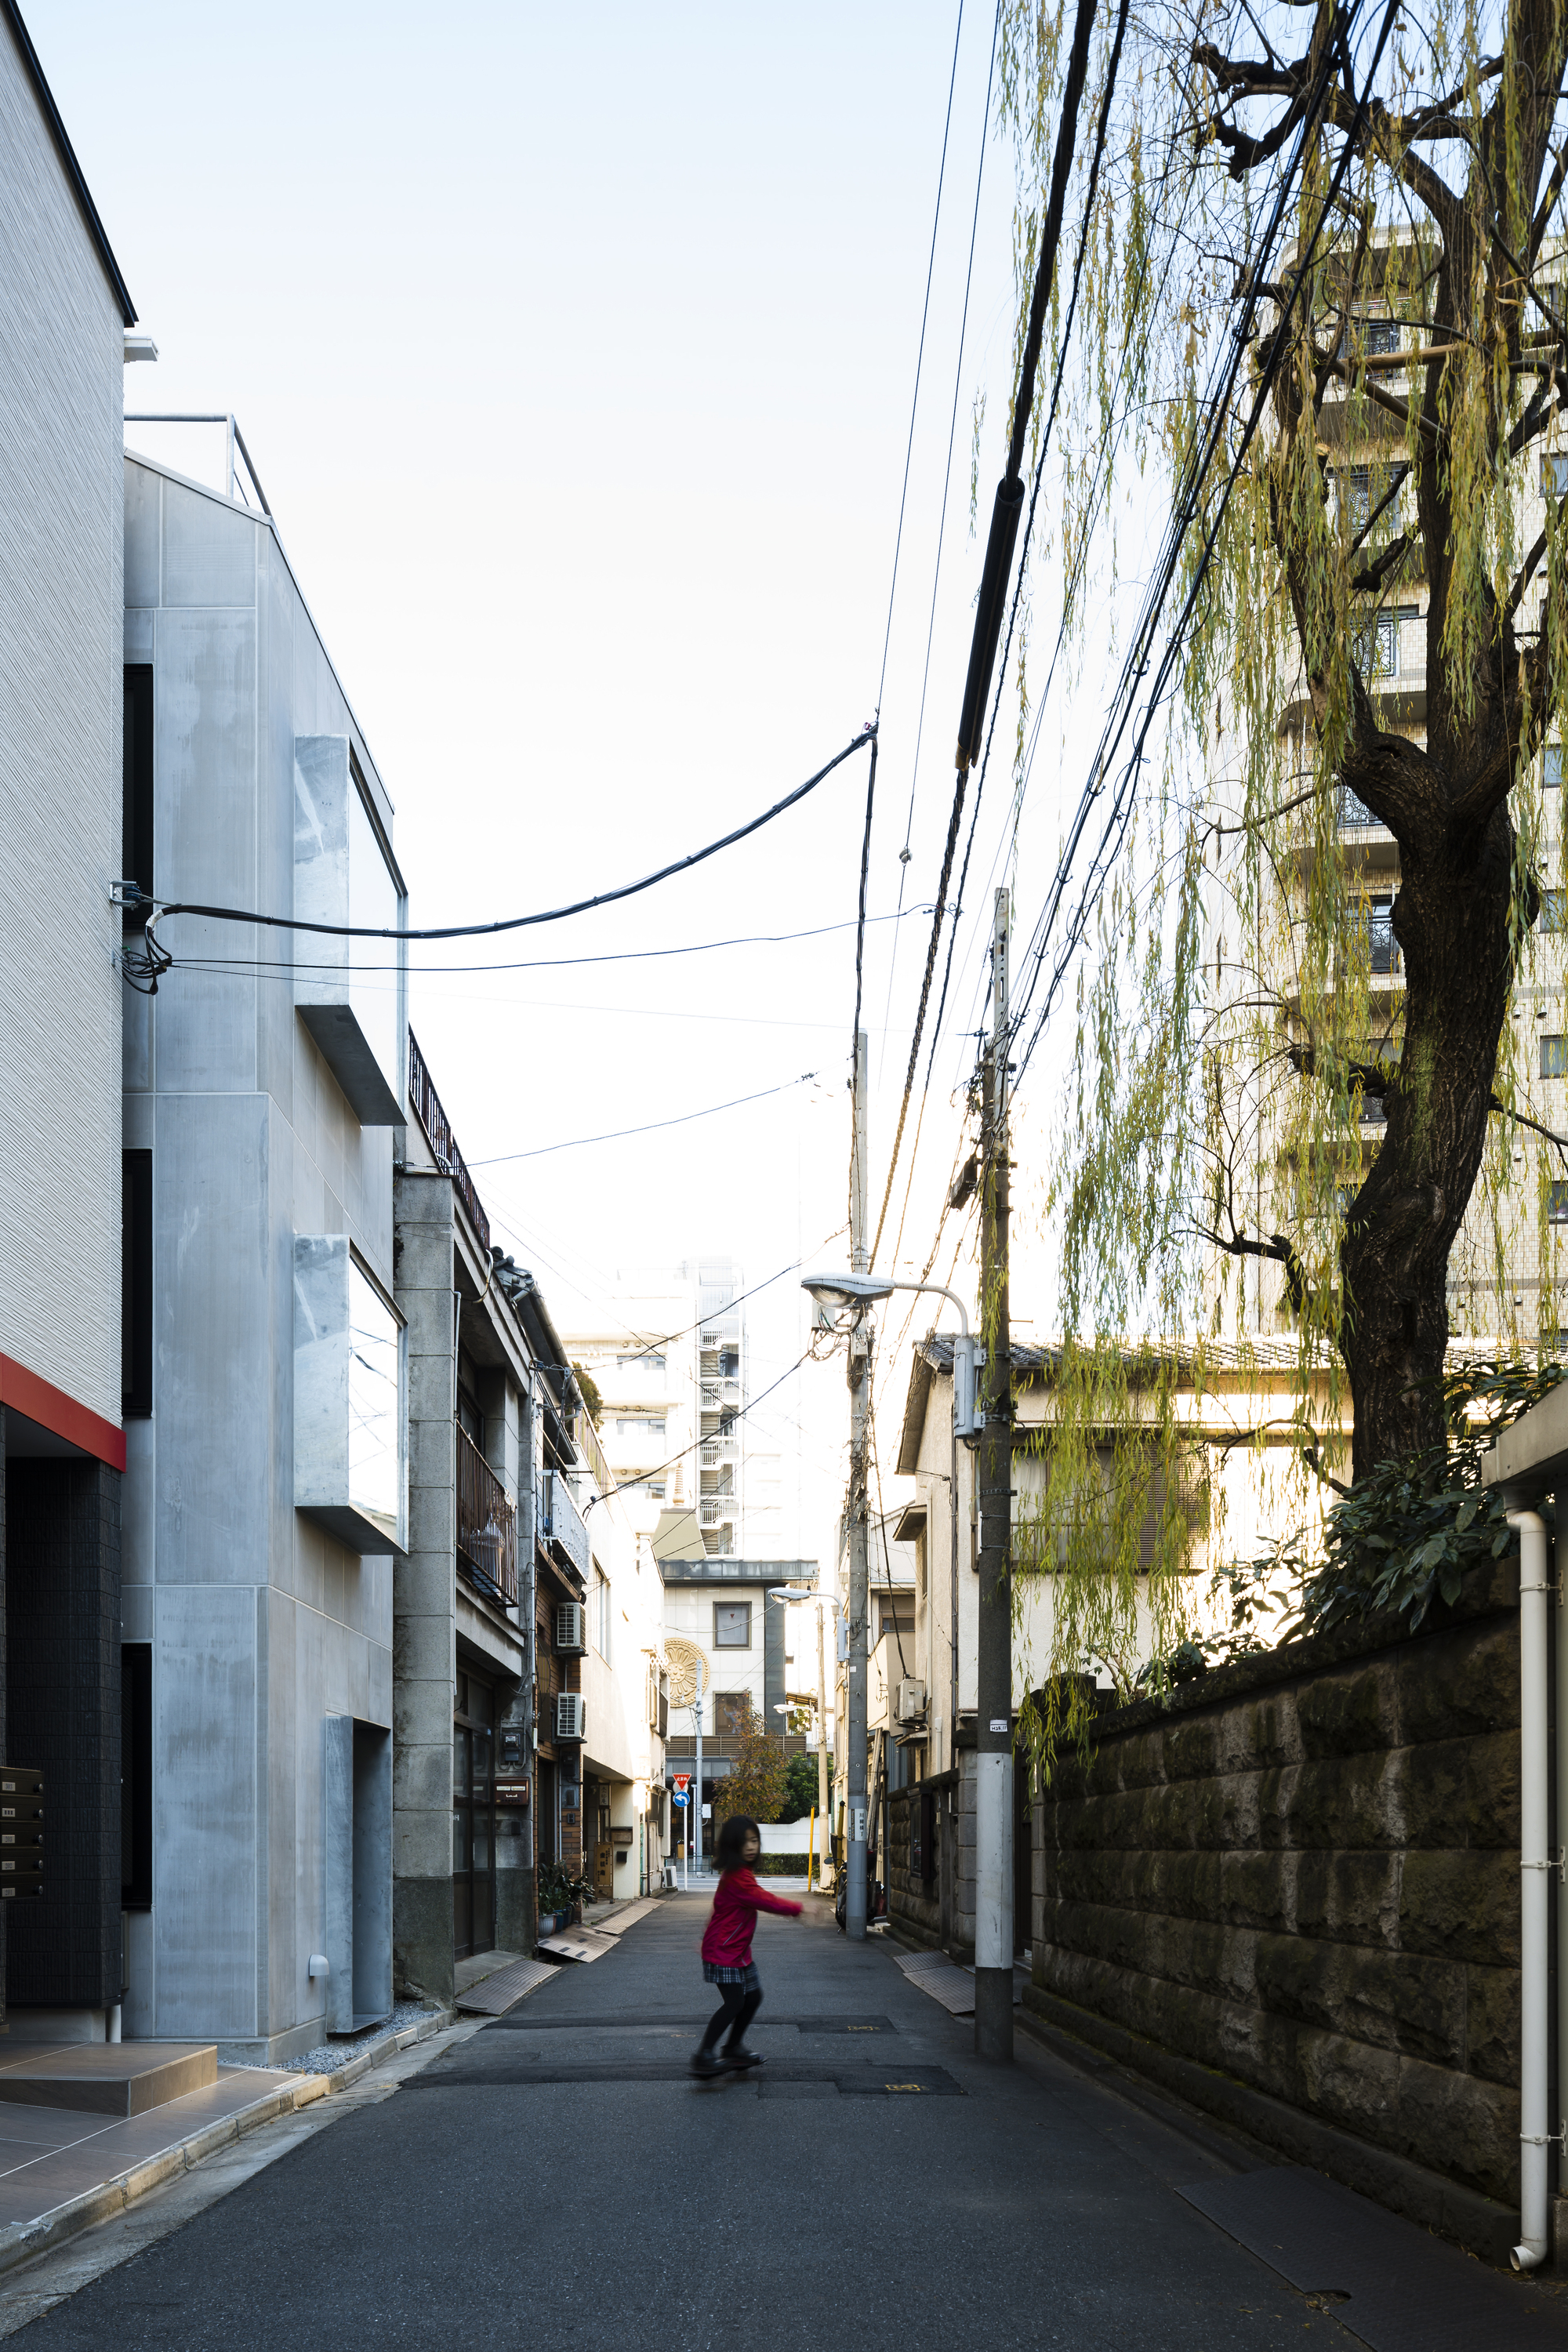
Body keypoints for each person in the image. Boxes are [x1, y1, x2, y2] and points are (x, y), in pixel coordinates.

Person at [691, 1813, 803, 2077]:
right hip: (723, 1953)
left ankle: (733, 2047)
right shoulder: (737, 1878)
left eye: (755, 1840)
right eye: (745, 1842)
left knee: (753, 1997)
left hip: (737, 1953)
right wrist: (800, 1908)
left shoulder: (740, 1873)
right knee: (734, 2003)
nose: (752, 1846)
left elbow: (719, 1911)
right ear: (733, 1845)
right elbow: (764, 1900)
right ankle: (704, 2055)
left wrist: (705, 1936)